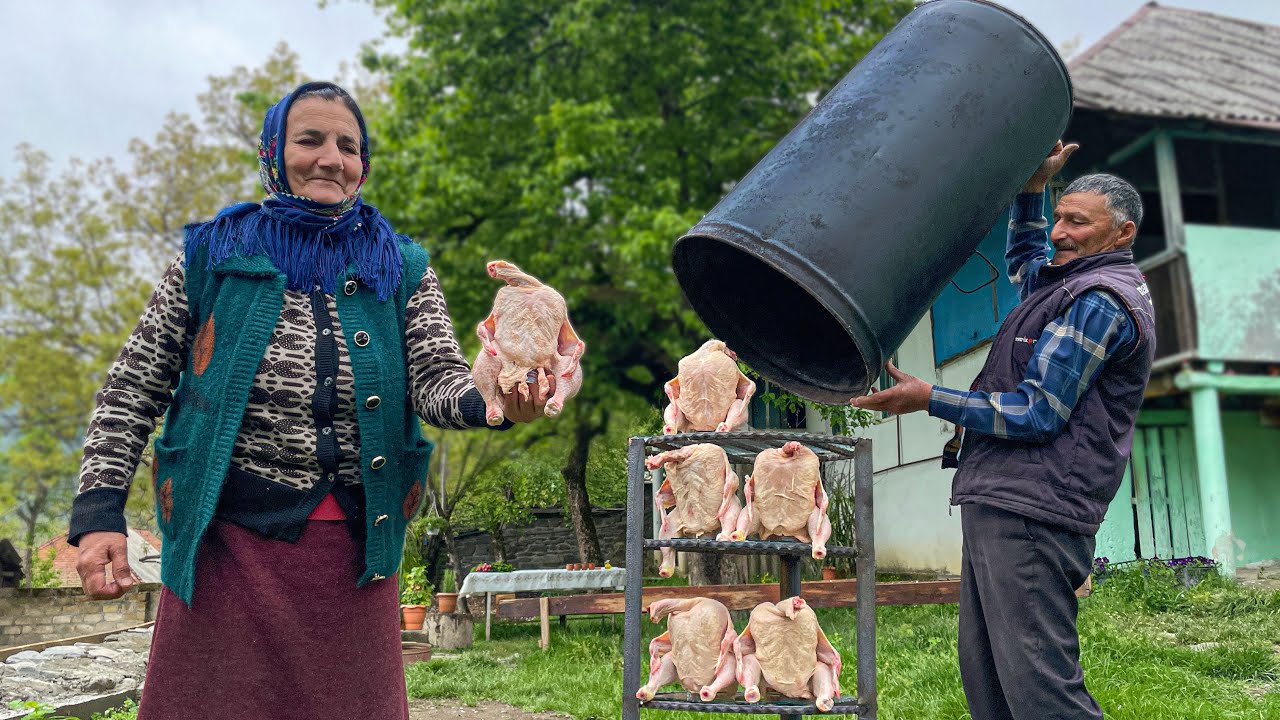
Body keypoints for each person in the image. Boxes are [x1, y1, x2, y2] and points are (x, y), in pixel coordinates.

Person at [68, 81, 555, 720]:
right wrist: (99, 510)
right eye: (311, 140)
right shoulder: (213, 255)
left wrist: (496, 401)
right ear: (275, 151)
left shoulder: (401, 267)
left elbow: (436, 379)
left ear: (364, 163)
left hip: (356, 550)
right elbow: (133, 385)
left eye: (348, 146)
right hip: (228, 545)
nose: (331, 158)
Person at [850, 140, 1155, 719]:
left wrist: (928, 397)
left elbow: (1038, 411)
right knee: (990, 676)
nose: (1060, 232)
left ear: (1122, 234)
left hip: (1034, 509)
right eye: (1060, 216)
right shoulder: (1064, 283)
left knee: (1040, 687)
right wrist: (1033, 189)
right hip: (1007, 498)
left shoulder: (1100, 301)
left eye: (1077, 222)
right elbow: (1025, 261)